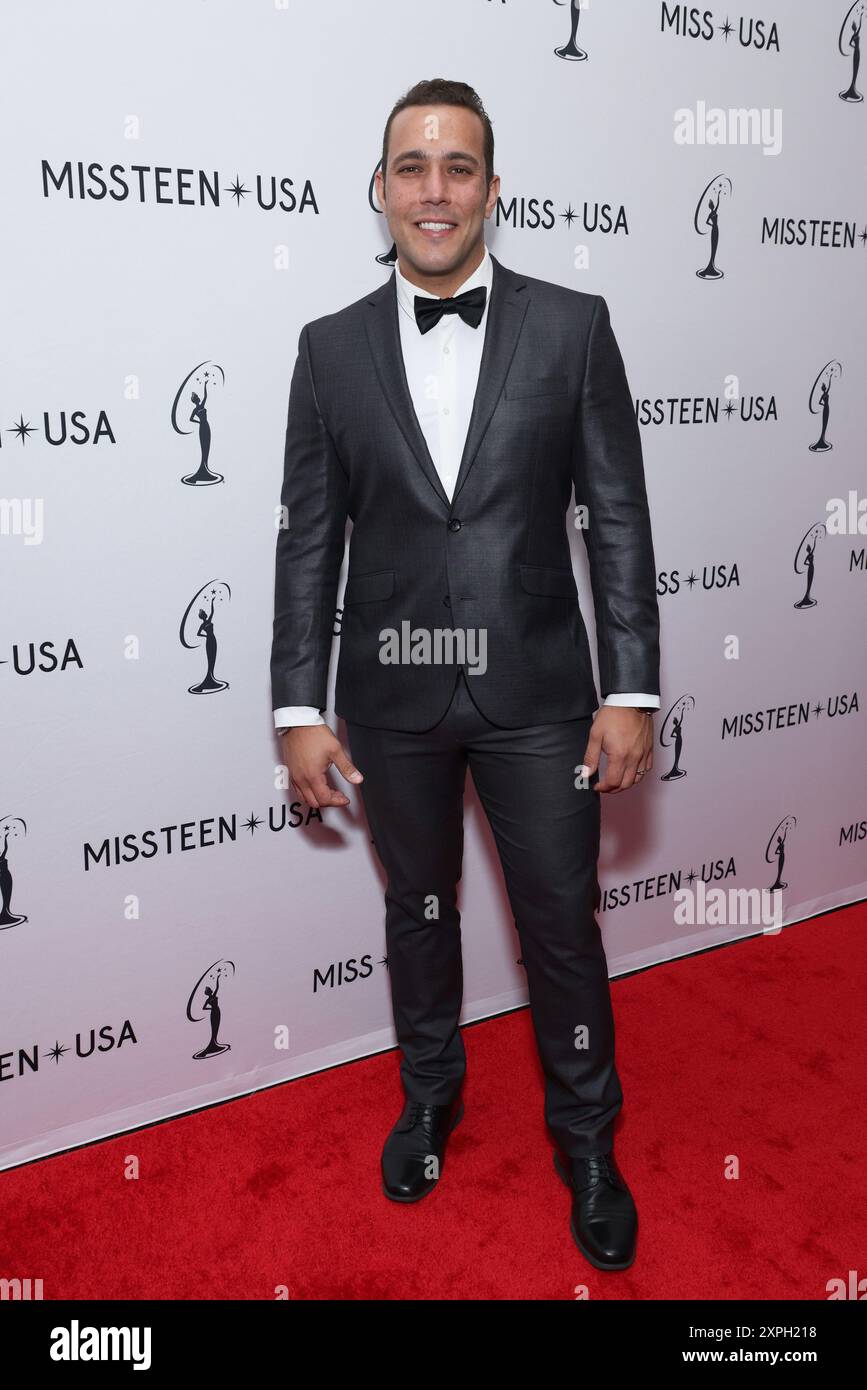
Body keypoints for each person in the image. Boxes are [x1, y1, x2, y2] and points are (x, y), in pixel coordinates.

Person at [270, 78, 660, 1271]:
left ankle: (588, 1139)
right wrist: (296, 705)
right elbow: (308, 538)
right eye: (411, 167)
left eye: (457, 166)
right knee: (419, 914)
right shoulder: (328, 349)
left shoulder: (573, 325)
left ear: (494, 187)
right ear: (380, 190)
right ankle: (431, 1098)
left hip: (541, 691)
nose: (433, 191)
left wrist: (631, 686)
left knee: (561, 926)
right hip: (392, 697)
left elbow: (619, 520)